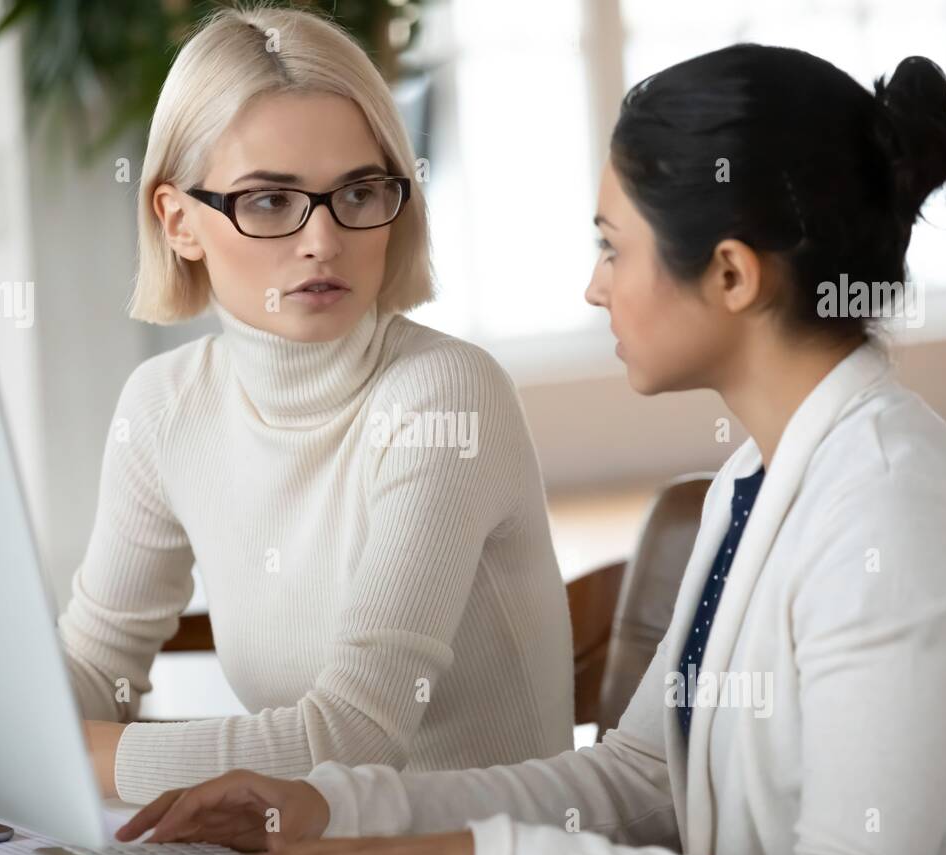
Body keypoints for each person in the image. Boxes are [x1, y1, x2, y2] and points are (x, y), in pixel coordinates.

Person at [115, 45, 946, 855]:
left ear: (732, 275)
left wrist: (470, 854)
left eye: (614, 248)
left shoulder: (887, 514)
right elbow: (640, 777)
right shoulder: (762, 478)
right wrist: (331, 809)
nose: (591, 287)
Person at [60, 6, 574, 806]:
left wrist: (76, 758)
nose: (323, 242)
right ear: (178, 220)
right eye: (270, 202)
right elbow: (95, 664)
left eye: (359, 192)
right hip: (304, 849)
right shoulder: (163, 406)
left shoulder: (447, 396)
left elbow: (352, 738)